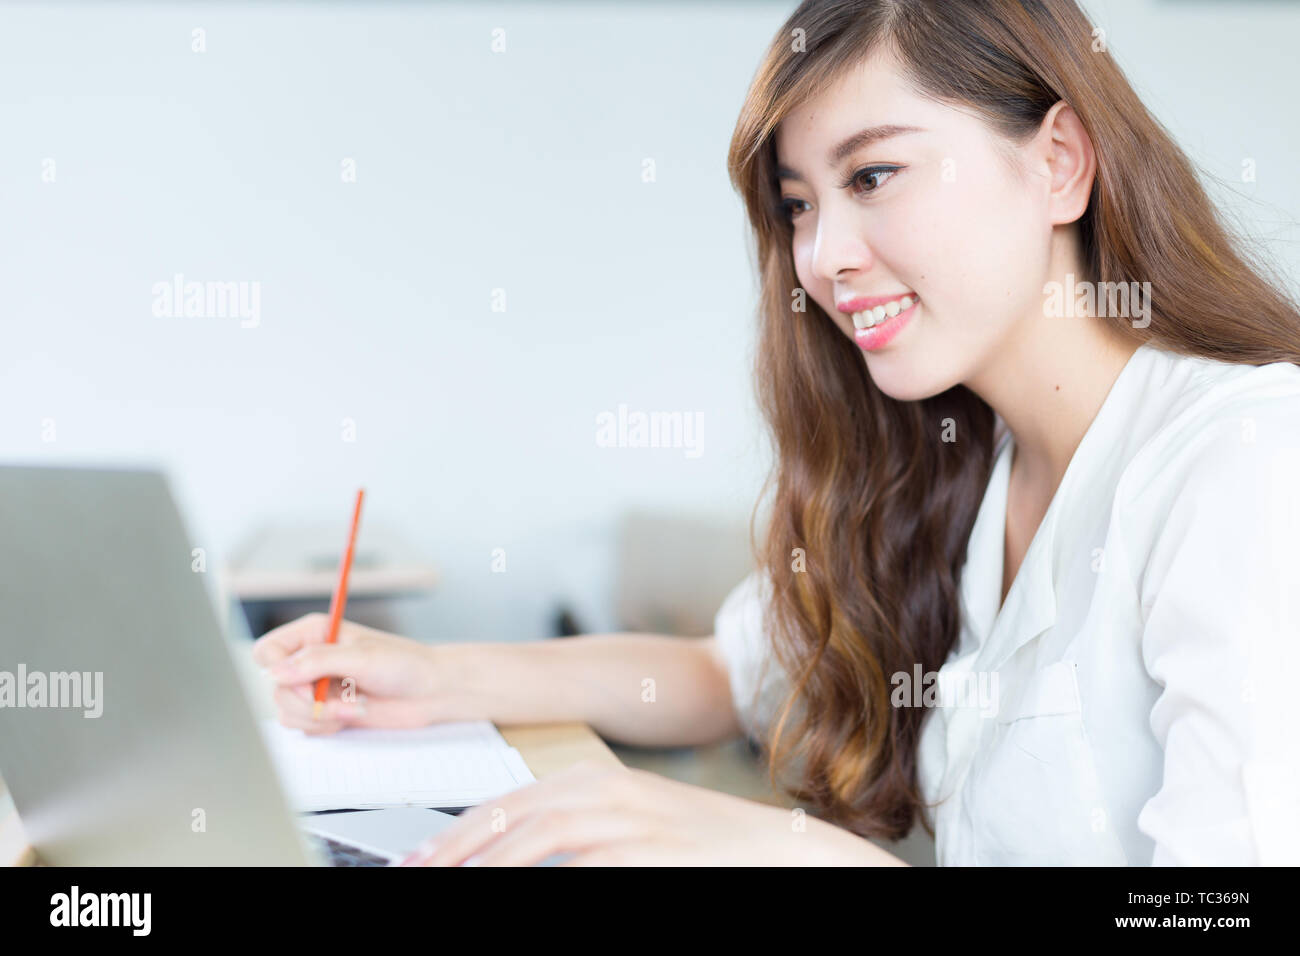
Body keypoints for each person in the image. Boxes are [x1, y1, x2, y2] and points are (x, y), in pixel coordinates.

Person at [253, 0, 1300, 866]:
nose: (822, 256)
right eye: (797, 205)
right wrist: (445, 677)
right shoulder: (959, 459)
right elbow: (723, 672)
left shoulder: (1241, 460)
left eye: (872, 175)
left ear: (1058, 163)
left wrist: (808, 853)